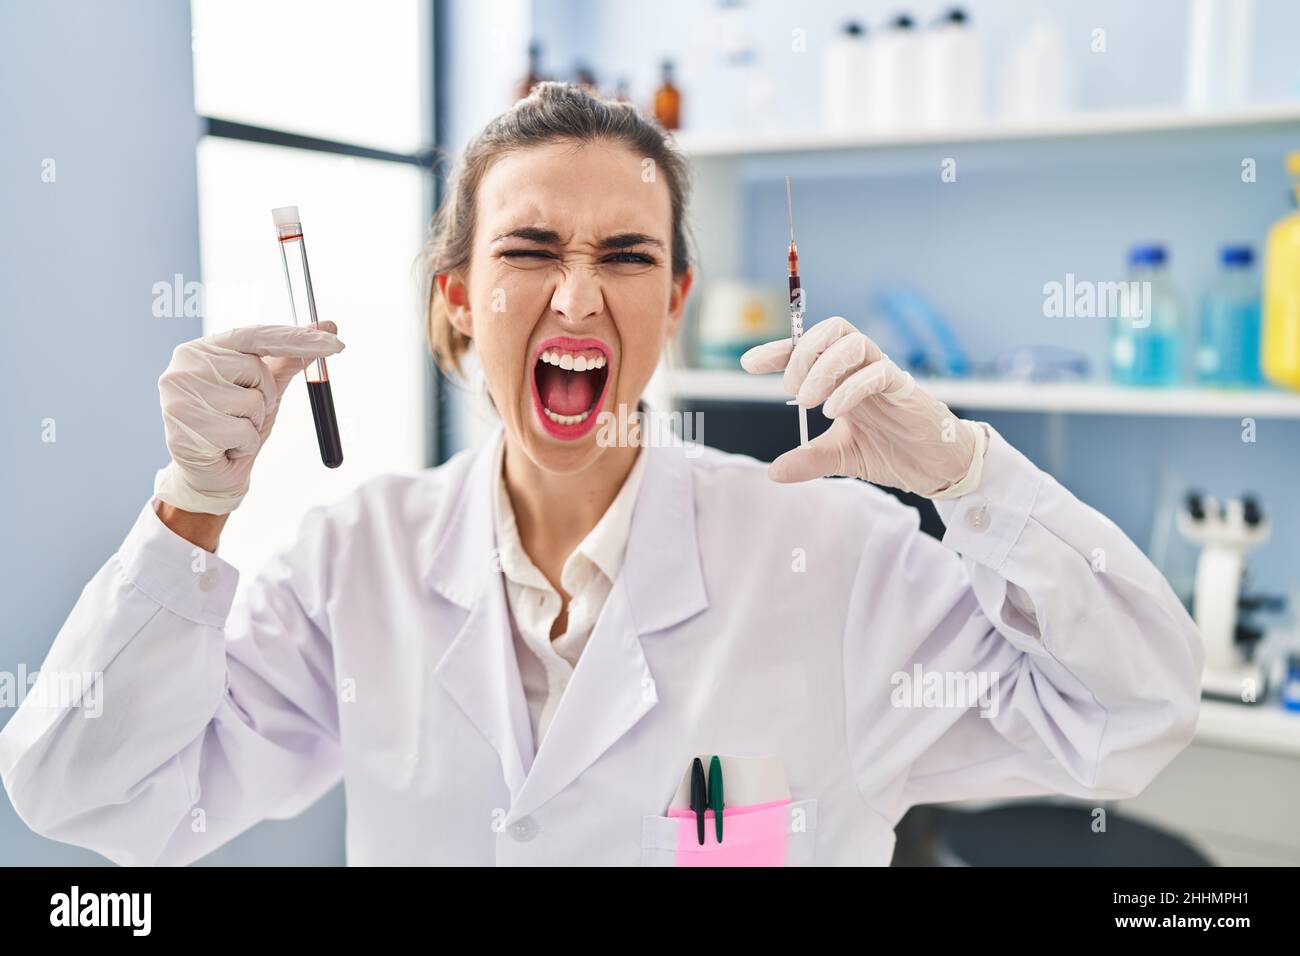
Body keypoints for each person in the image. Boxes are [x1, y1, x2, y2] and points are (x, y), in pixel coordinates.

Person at [0, 83, 1202, 866]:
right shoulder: (349, 563)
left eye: (625, 255)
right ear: (460, 297)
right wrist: (192, 506)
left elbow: (1132, 710)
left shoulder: (834, 557)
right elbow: (88, 794)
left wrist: (966, 473)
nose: (577, 295)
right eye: (528, 250)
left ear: (672, 301)